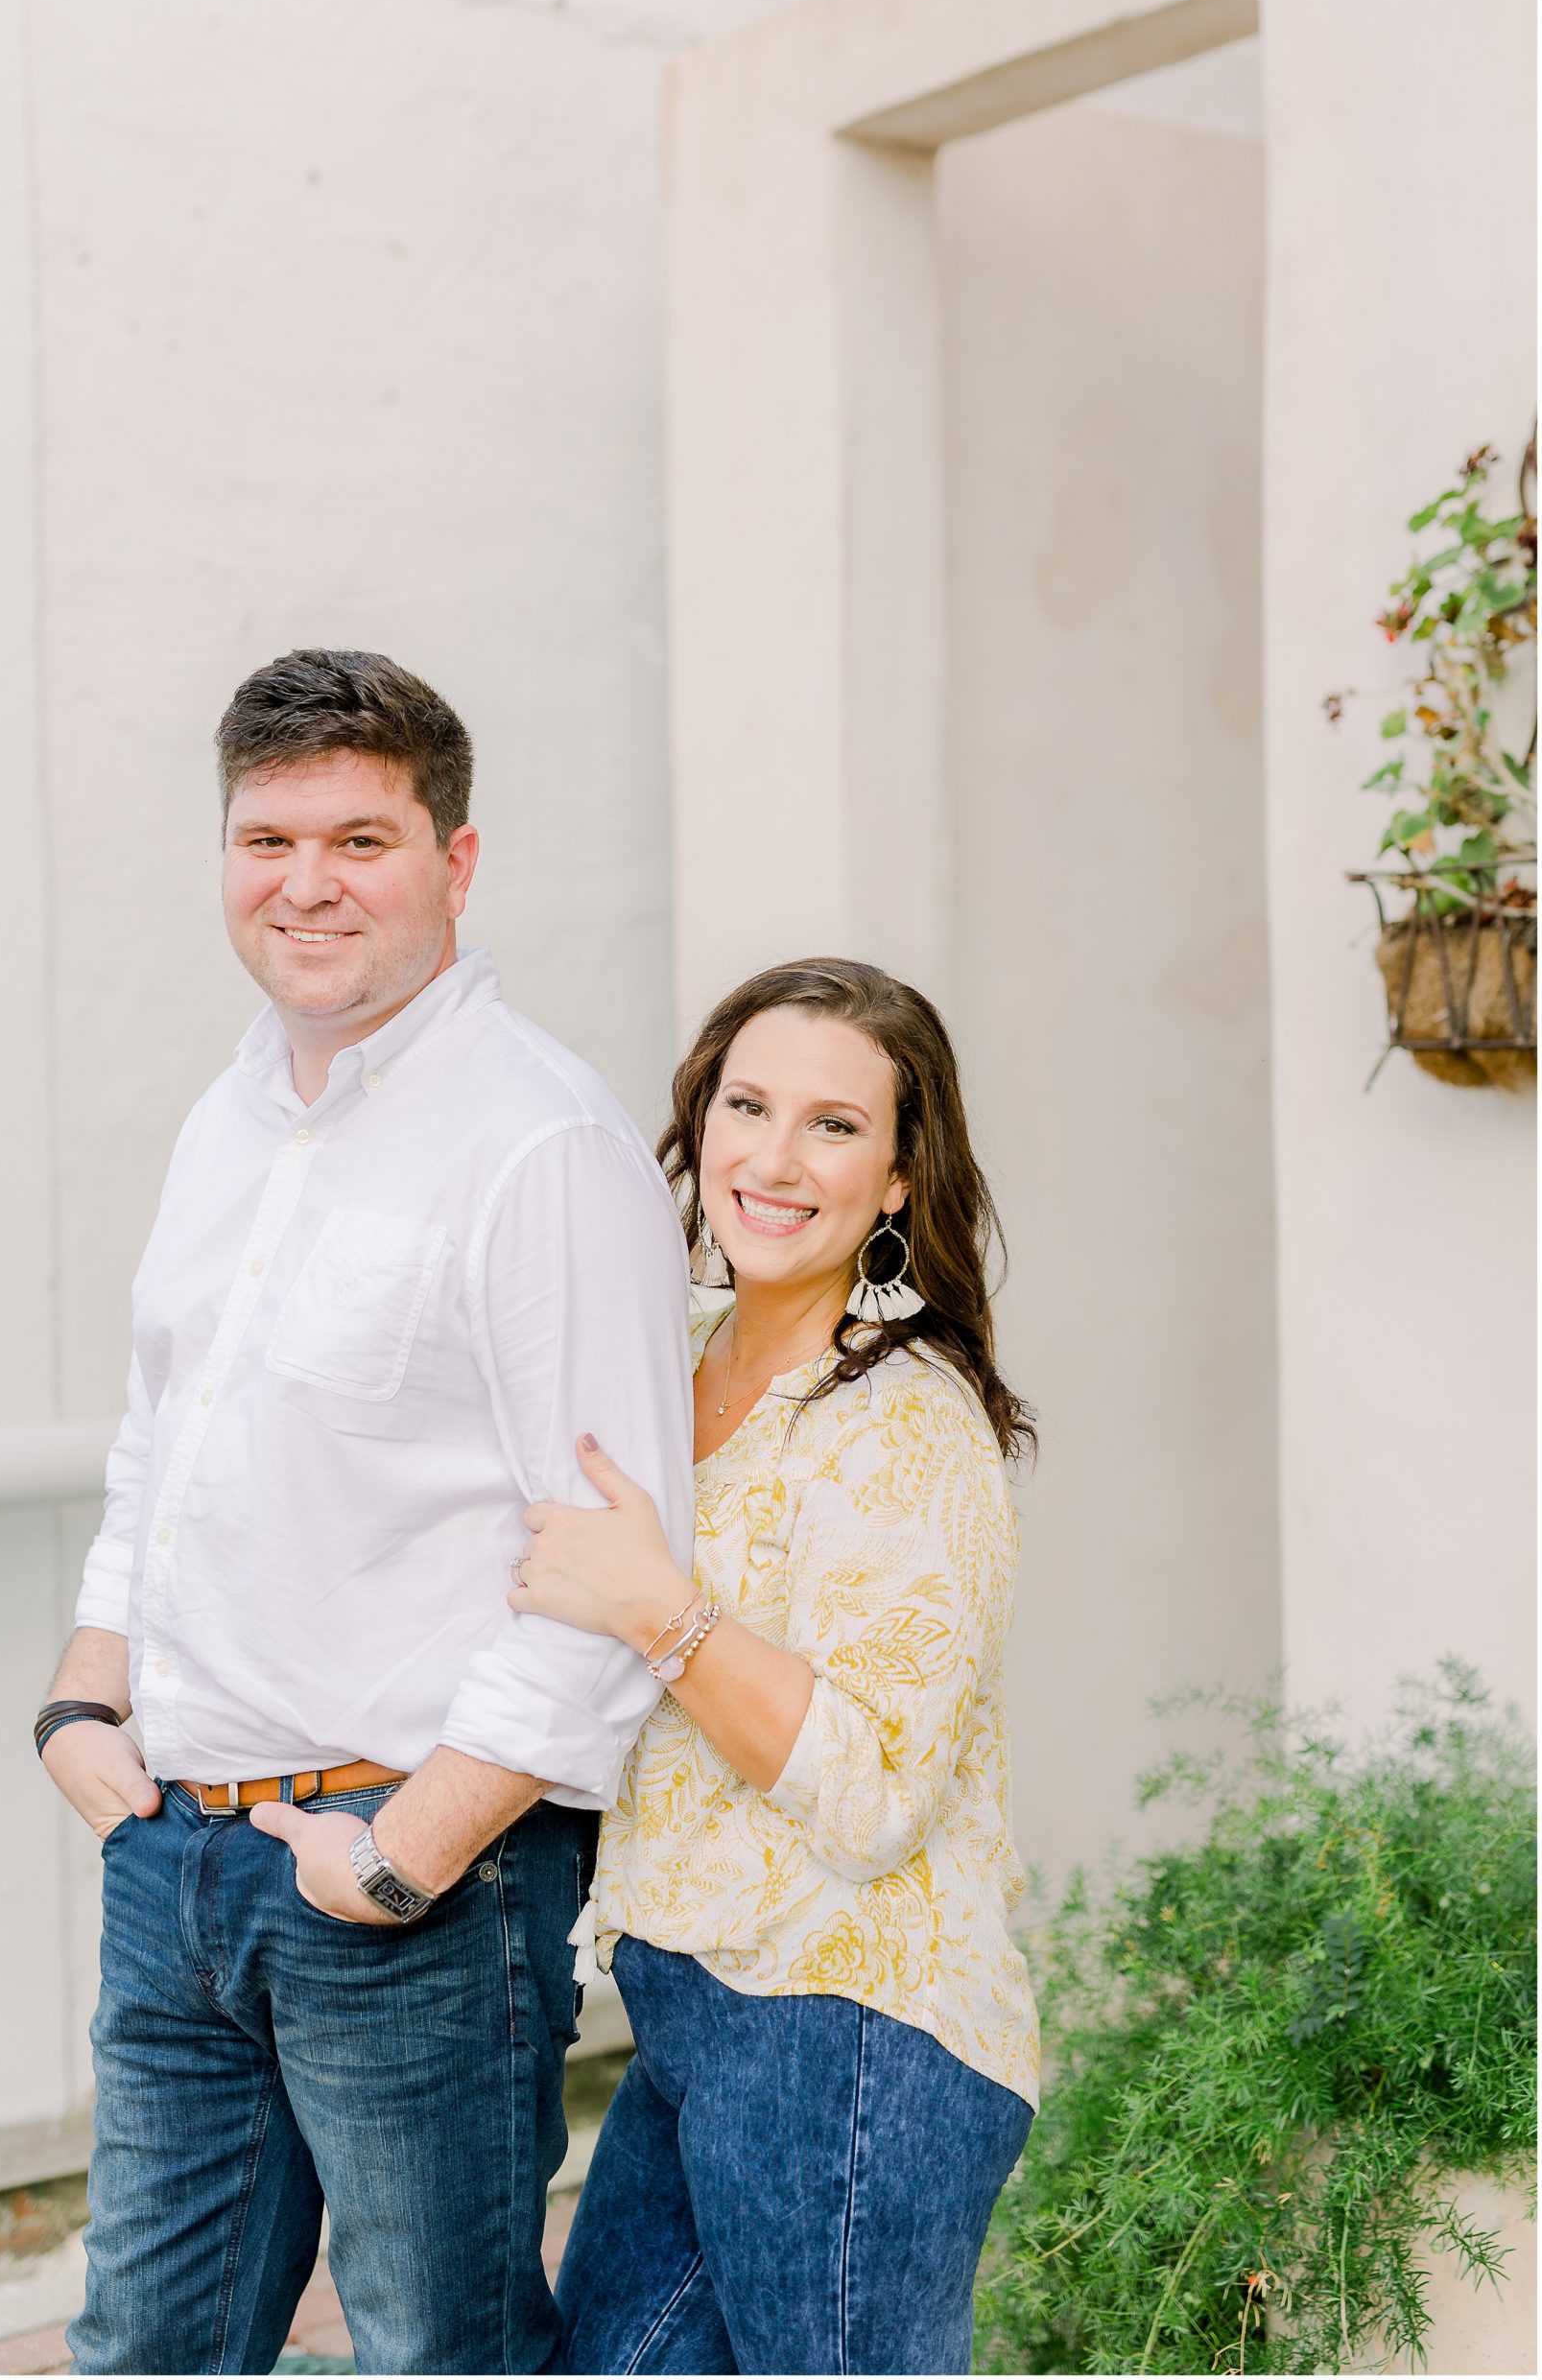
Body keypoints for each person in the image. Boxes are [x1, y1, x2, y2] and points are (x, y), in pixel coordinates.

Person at [36, 648, 694, 2376]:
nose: (304, 884)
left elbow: (610, 1560)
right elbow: (157, 1441)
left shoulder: (538, 1144)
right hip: (175, 1851)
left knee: (442, 2355)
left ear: (454, 864)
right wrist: (81, 1699)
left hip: (404, 1881)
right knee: (142, 2352)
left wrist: (406, 1862)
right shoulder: (228, 1115)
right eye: (266, 839)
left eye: (359, 839)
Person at [509, 957, 1041, 2377]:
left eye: (831, 1125)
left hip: (851, 2023)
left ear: (895, 1175)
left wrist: (657, 1613)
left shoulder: (903, 1418)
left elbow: (870, 1795)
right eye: (748, 1106)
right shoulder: (665, 1354)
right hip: (695, 2005)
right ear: (699, 1120)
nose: (774, 1156)